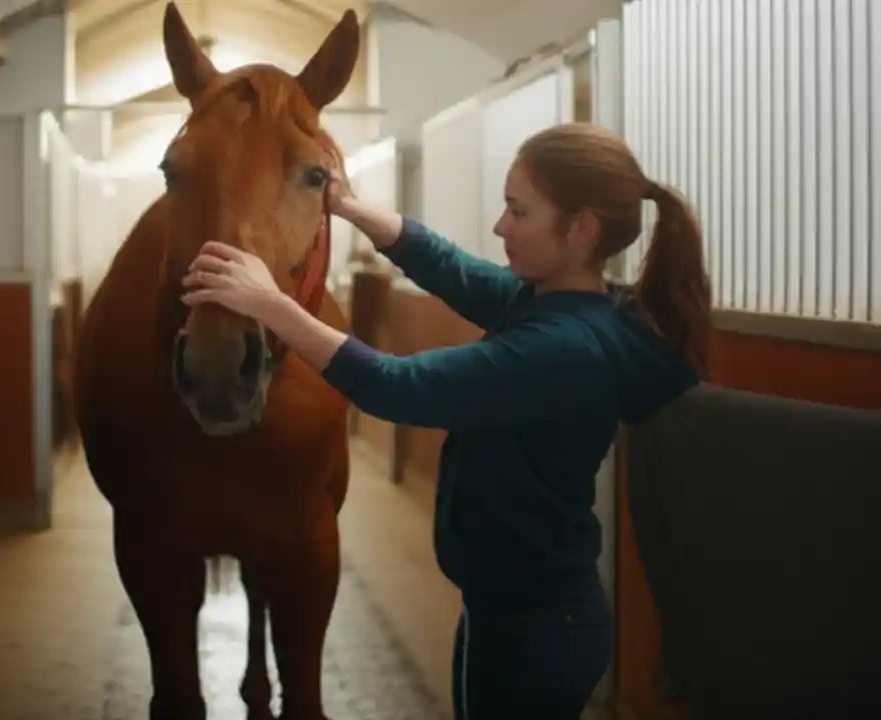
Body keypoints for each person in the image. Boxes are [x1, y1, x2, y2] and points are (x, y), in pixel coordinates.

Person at [181, 122, 712, 718]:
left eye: (518, 212)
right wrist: (349, 207)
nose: (499, 226)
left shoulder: (564, 347)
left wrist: (270, 306)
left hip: (535, 630)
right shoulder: (550, 299)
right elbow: (449, 267)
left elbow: (396, 387)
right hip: (511, 611)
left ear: (580, 229)